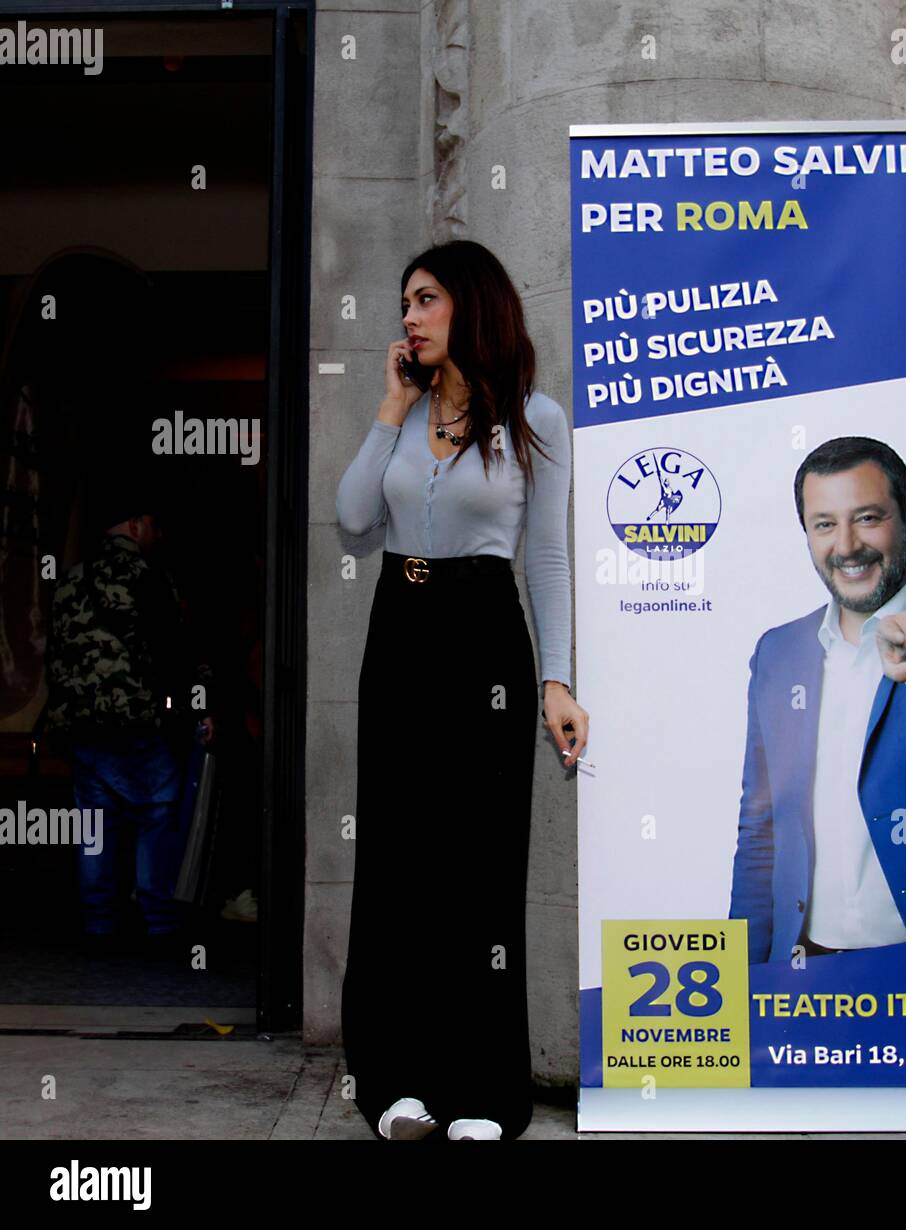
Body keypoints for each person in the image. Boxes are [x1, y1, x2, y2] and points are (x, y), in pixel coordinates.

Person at [336, 240, 589, 1142]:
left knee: (479, 866)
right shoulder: (402, 418)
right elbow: (356, 519)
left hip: (485, 634)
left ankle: (483, 1090)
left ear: (472, 305)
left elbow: (549, 558)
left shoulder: (536, 419)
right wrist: (388, 409)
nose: (408, 315)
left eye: (426, 298)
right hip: (399, 632)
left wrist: (557, 678)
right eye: (405, 301)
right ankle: (397, 1083)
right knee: (401, 862)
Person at [728, 437, 906, 966]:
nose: (847, 545)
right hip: (805, 963)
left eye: (868, 517)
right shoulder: (778, 652)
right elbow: (760, 827)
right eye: (824, 524)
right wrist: (743, 974)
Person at [44, 496, 215, 960]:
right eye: (154, 525)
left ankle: (99, 922)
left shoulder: (71, 577)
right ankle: (158, 920)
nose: (158, 536)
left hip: (81, 722)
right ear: (137, 525)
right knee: (157, 813)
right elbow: (173, 647)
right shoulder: (147, 576)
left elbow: (55, 651)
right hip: (135, 717)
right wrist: (200, 705)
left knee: (95, 821)